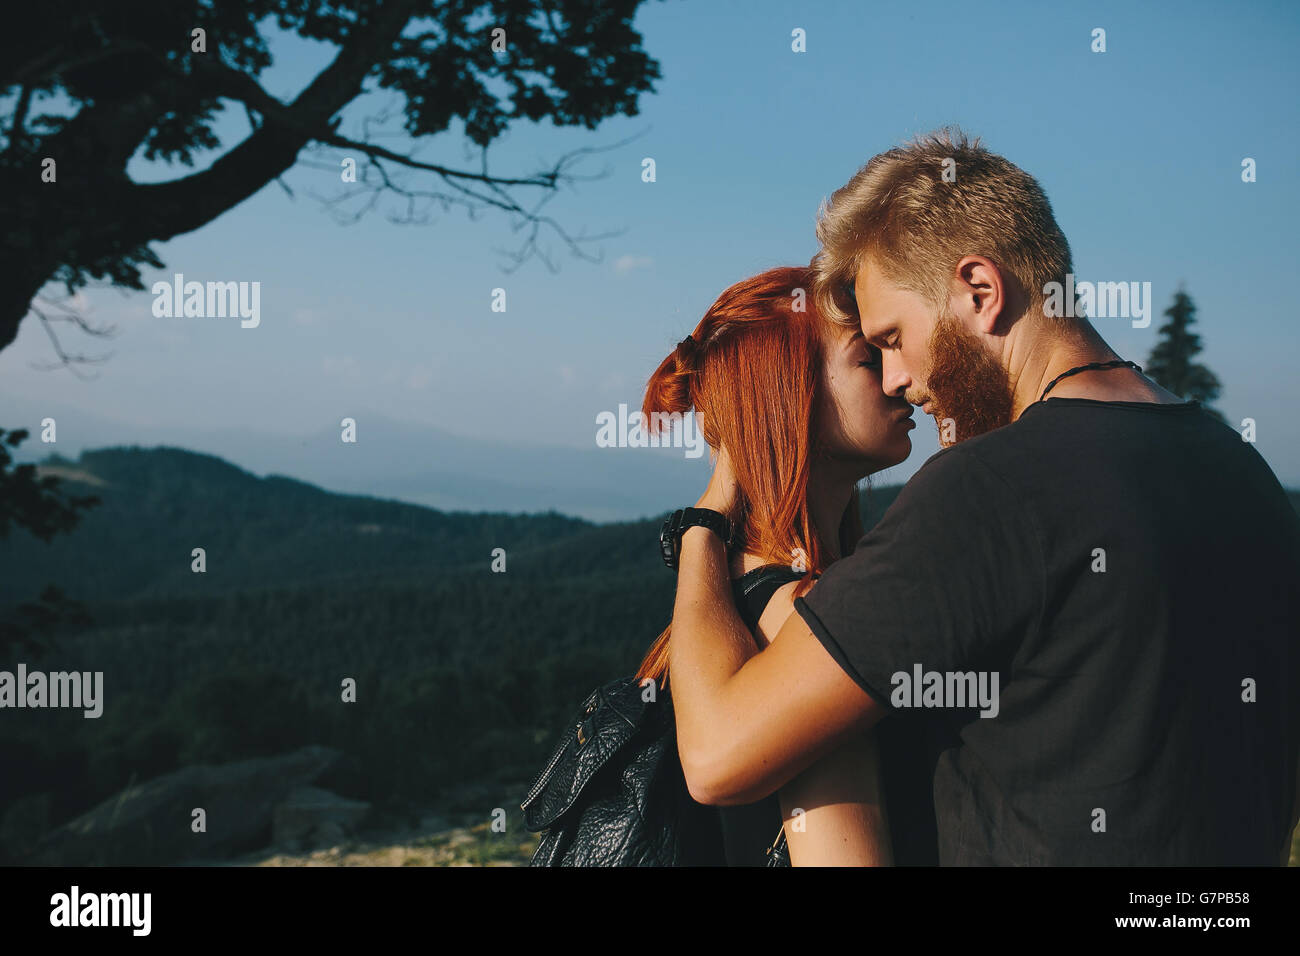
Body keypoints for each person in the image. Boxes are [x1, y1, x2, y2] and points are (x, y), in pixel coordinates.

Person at [663, 128, 1300, 865]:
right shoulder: (1240, 467)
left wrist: (705, 522)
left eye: (894, 337)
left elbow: (717, 757)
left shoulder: (991, 488)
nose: (896, 378)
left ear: (980, 290)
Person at [635, 264, 913, 865]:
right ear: (790, 392)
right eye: (871, 359)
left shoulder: (729, 597)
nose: (901, 377)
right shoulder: (806, 613)